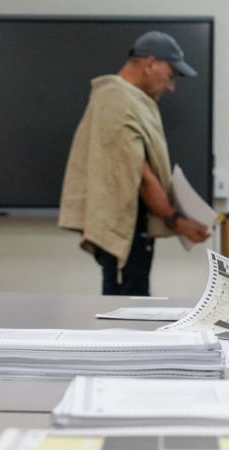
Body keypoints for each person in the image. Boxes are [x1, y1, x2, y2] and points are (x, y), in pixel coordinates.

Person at [58, 31, 210, 296]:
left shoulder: (125, 98)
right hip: (124, 234)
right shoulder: (118, 99)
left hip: (132, 231)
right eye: (171, 75)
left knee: (132, 314)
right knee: (124, 321)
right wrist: (177, 221)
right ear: (150, 63)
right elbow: (140, 176)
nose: (171, 86)